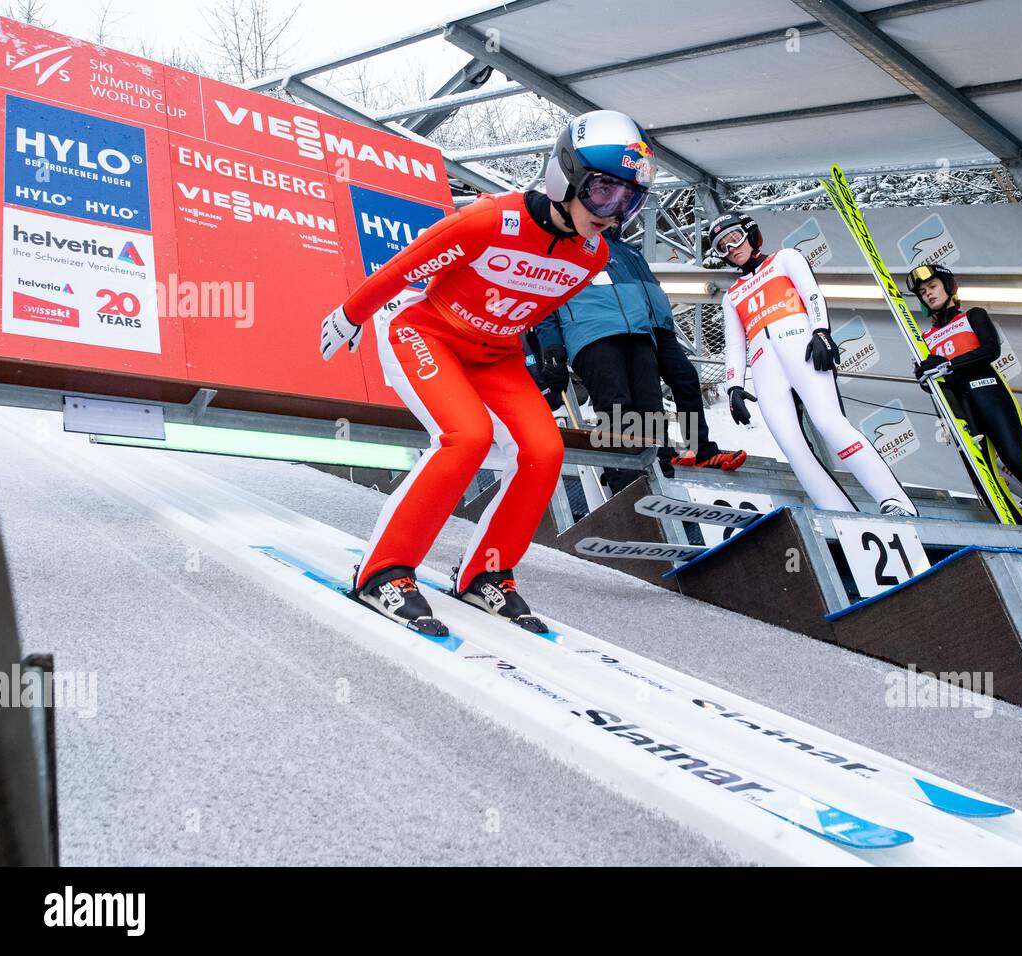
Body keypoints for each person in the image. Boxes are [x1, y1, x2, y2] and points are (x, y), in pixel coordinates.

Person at [318, 109, 655, 634]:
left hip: (495, 355)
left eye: (629, 200)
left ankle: (487, 572)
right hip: (428, 334)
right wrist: (350, 315)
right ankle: (383, 570)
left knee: (544, 452)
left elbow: (539, 304)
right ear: (564, 175)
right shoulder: (488, 221)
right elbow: (406, 266)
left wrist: (550, 355)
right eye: (604, 192)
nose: (614, 212)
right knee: (466, 437)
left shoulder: (593, 257)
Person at [712, 213, 917, 516]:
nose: (732, 249)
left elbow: (812, 295)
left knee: (830, 423)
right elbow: (734, 346)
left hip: (801, 349)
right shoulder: (731, 296)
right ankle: (840, 516)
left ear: (751, 234)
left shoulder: (785, 259)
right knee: (793, 447)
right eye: (722, 247)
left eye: (736, 238)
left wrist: (821, 332)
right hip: (765, 367)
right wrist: (733, 387)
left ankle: (894, 502)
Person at [537, 228, 745, 494]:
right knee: (617, 404)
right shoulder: (567, 246)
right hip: (597, 329)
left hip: (644, 326)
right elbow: (545, 299)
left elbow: (637, 292)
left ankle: (679, 456)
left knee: (664, 395)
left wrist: (655, 322)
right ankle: (624, 479)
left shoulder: (627, 250)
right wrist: (552, 347)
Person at [908, 263, 1022, 530]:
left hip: (987, 389)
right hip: (959, 405)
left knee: (1016, 458)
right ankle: (1017, 529)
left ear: (947, 286)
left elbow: (992, 350)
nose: (929, 294)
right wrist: (924, 376)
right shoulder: (925, 337)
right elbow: (930, 382)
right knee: (981, 471)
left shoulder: (972, 316)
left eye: (932, 286)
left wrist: (948, 364)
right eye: (923, 292)